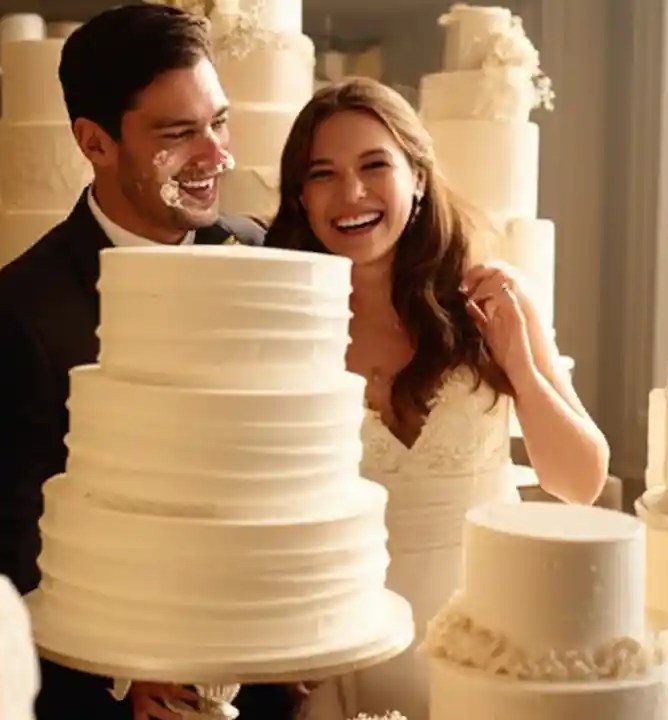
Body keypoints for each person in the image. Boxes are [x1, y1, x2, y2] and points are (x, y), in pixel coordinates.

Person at [0, 6, 298, 720]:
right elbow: (12, 545)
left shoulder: (261, 255)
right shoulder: (17, 317)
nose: (215, 156)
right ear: (95, 142)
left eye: (220, 122)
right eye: (179, 134)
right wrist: (122, 672)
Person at [266, 77, 610, 720]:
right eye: (323, 174)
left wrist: (521, 367)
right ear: (301, 197)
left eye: (375, 165)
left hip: (494, 624)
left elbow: (581, 482)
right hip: (345, 630)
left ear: (418, 177)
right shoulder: (282, 324)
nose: (352, 195)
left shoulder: (491, 297)